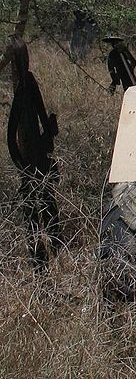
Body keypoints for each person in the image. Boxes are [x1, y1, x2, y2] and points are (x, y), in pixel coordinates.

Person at [6, 36, 62, 270]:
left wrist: (48, 133)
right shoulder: (23, 86)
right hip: (31, 160)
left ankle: (51, 249)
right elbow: (11, 134)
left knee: (44, 204)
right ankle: (40, 255)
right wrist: (21, 163)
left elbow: (39, 116)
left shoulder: (27, 83)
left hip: (36, 157)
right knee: (36, 208)